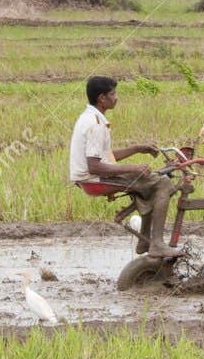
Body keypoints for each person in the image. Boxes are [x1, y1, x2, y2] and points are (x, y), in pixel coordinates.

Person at [68, 76, 182, 257]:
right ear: (101, 98)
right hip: (94, 179)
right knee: (164, 184)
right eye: (113, 94)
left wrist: (137, 149)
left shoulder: (89, 117)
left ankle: (144, 242)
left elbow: (106, 157)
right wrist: (133, 168)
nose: (116, 97)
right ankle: (158, 244)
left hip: (91, 177)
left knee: (152, 182)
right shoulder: (95, 125)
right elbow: (94, 166)